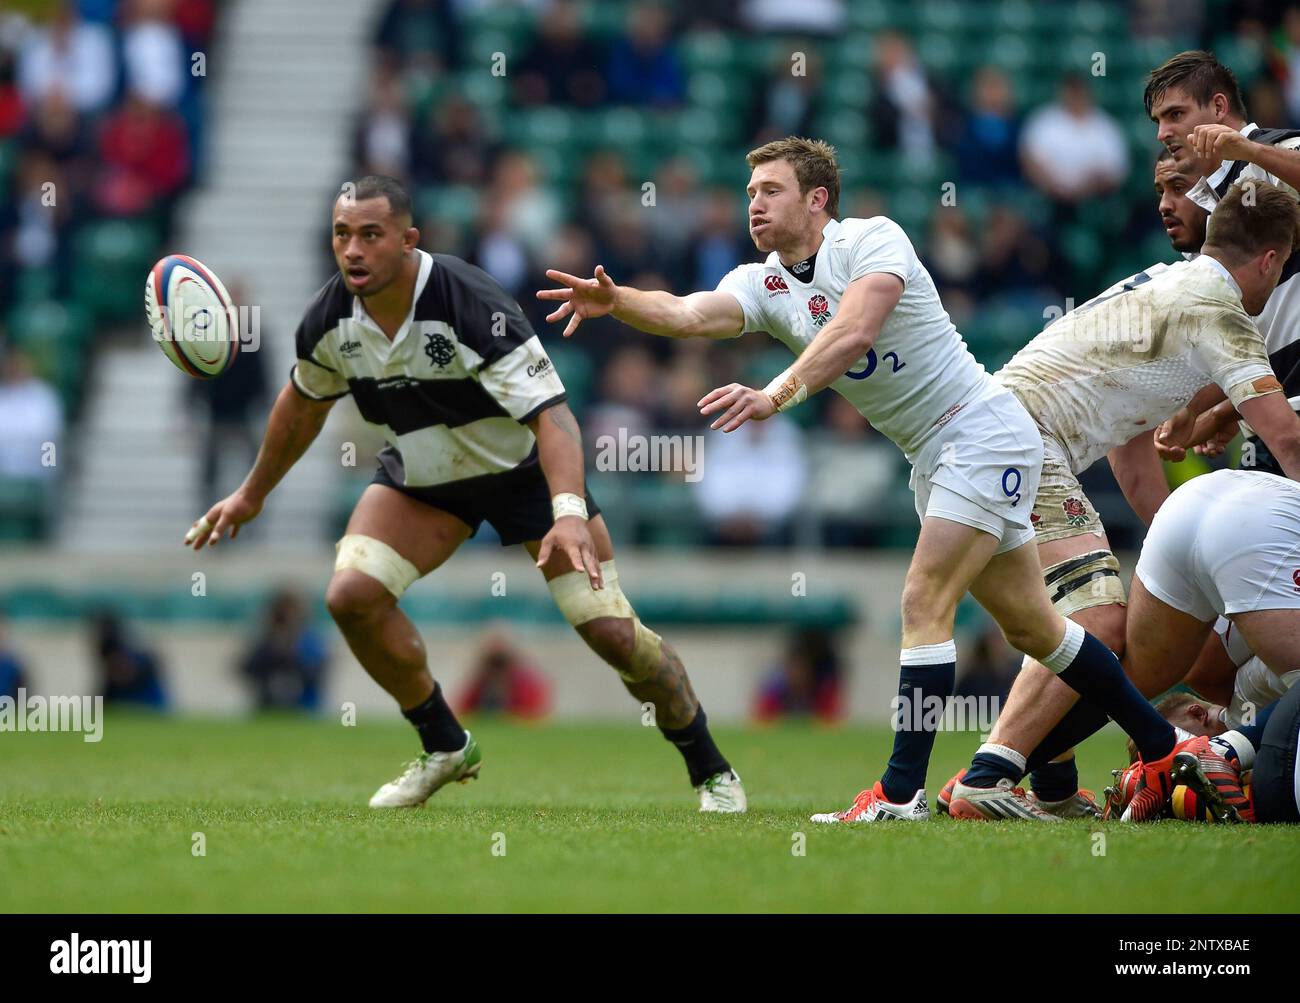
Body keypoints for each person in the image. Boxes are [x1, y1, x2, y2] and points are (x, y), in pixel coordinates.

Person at [540, 137, 1207, 823]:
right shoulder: (765, 283)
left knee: (923, 600)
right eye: (749, 194)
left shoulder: (870, 241)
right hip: (937, 453)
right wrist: (617, 300)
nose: (755, 204)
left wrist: (777, 393)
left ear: (817, 198)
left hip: (980, 429)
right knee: (1040, 630)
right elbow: (687, 312)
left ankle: (898, 794)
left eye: (770, 190)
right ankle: (1163, 745)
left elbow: (856, 331)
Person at [185, 175, 745, 813]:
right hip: (427, 477)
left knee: (615, 637)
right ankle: (444, 744)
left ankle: (711, 769)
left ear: (408, 240)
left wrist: (566, 514)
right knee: (351, 596)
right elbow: (303, 403)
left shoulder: (470, 301)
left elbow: (555, 417)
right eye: (343, 235)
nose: (354, 251)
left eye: (372, 235)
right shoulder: (328, 319)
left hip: (526, 474)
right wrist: (251, 494)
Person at [938, 179, 1300, 821]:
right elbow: (1288, 437)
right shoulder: (1220, 311)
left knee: (1076, 621)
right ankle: (986, 778)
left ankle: (1049, 785)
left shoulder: (1164, 286)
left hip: (991, 437)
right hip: (1016, 443)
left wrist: (1186, 555)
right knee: (1099, 622)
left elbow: (1131, 457)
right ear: (1272, 260)